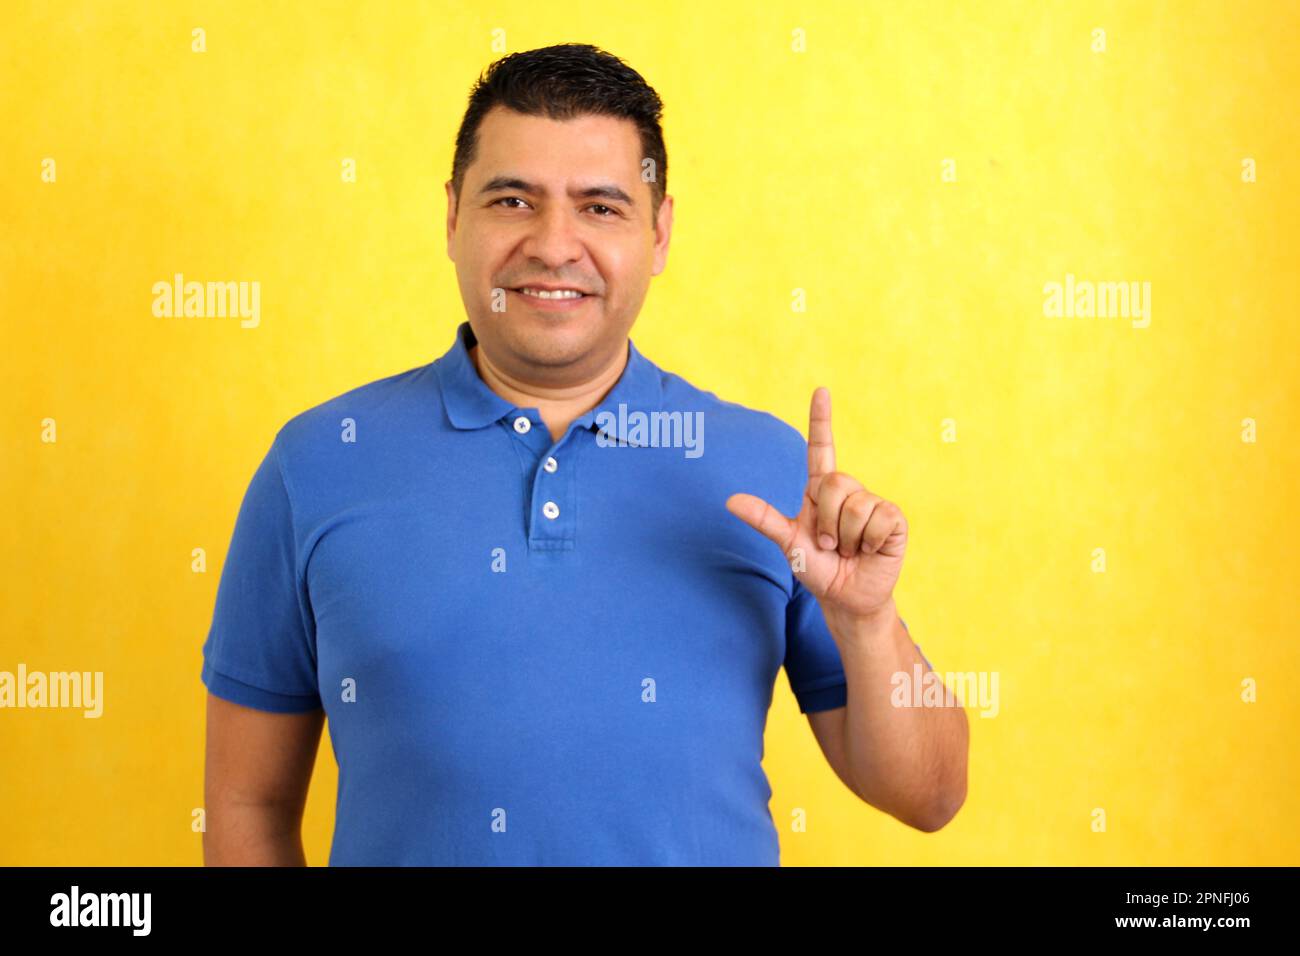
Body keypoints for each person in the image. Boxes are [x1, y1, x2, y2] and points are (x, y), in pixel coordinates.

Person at [201, 43, 968, 866]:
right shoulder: (316, 464)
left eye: (600, 207)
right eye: (512, 200)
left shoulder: (769, 471)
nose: (554, 245)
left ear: (660, 232)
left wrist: (866, 622)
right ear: (454, 215)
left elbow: (929, 795)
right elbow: (248, 803)